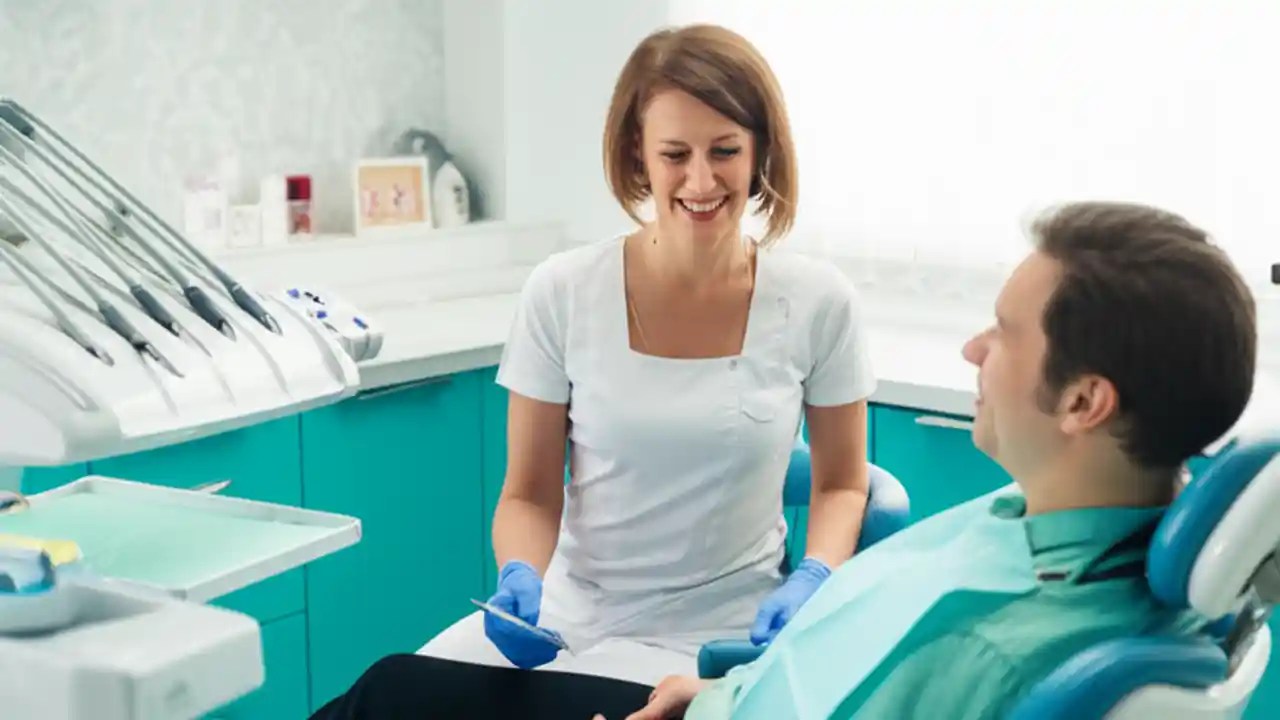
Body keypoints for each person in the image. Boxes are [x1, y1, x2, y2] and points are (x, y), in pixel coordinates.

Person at [307, 200, 1257, 719]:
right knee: (391, 689)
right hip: (706, 692)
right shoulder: (1033, 526)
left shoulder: (993, 637)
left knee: (388, 695)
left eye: (1003, 333)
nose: (973, 351)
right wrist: (722, 687)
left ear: (1086, 403)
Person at [415, 23, 876, 685]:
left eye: (725, 150)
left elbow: (840, 483)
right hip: (564, 619)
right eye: (674, 154)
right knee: (390, 693)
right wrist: (520, 574)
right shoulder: (563, 291)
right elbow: (530, 494)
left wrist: (815, 574)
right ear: (638, 156)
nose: (701, 179)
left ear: (760, 153)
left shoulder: (817, 302)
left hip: (715, 639)